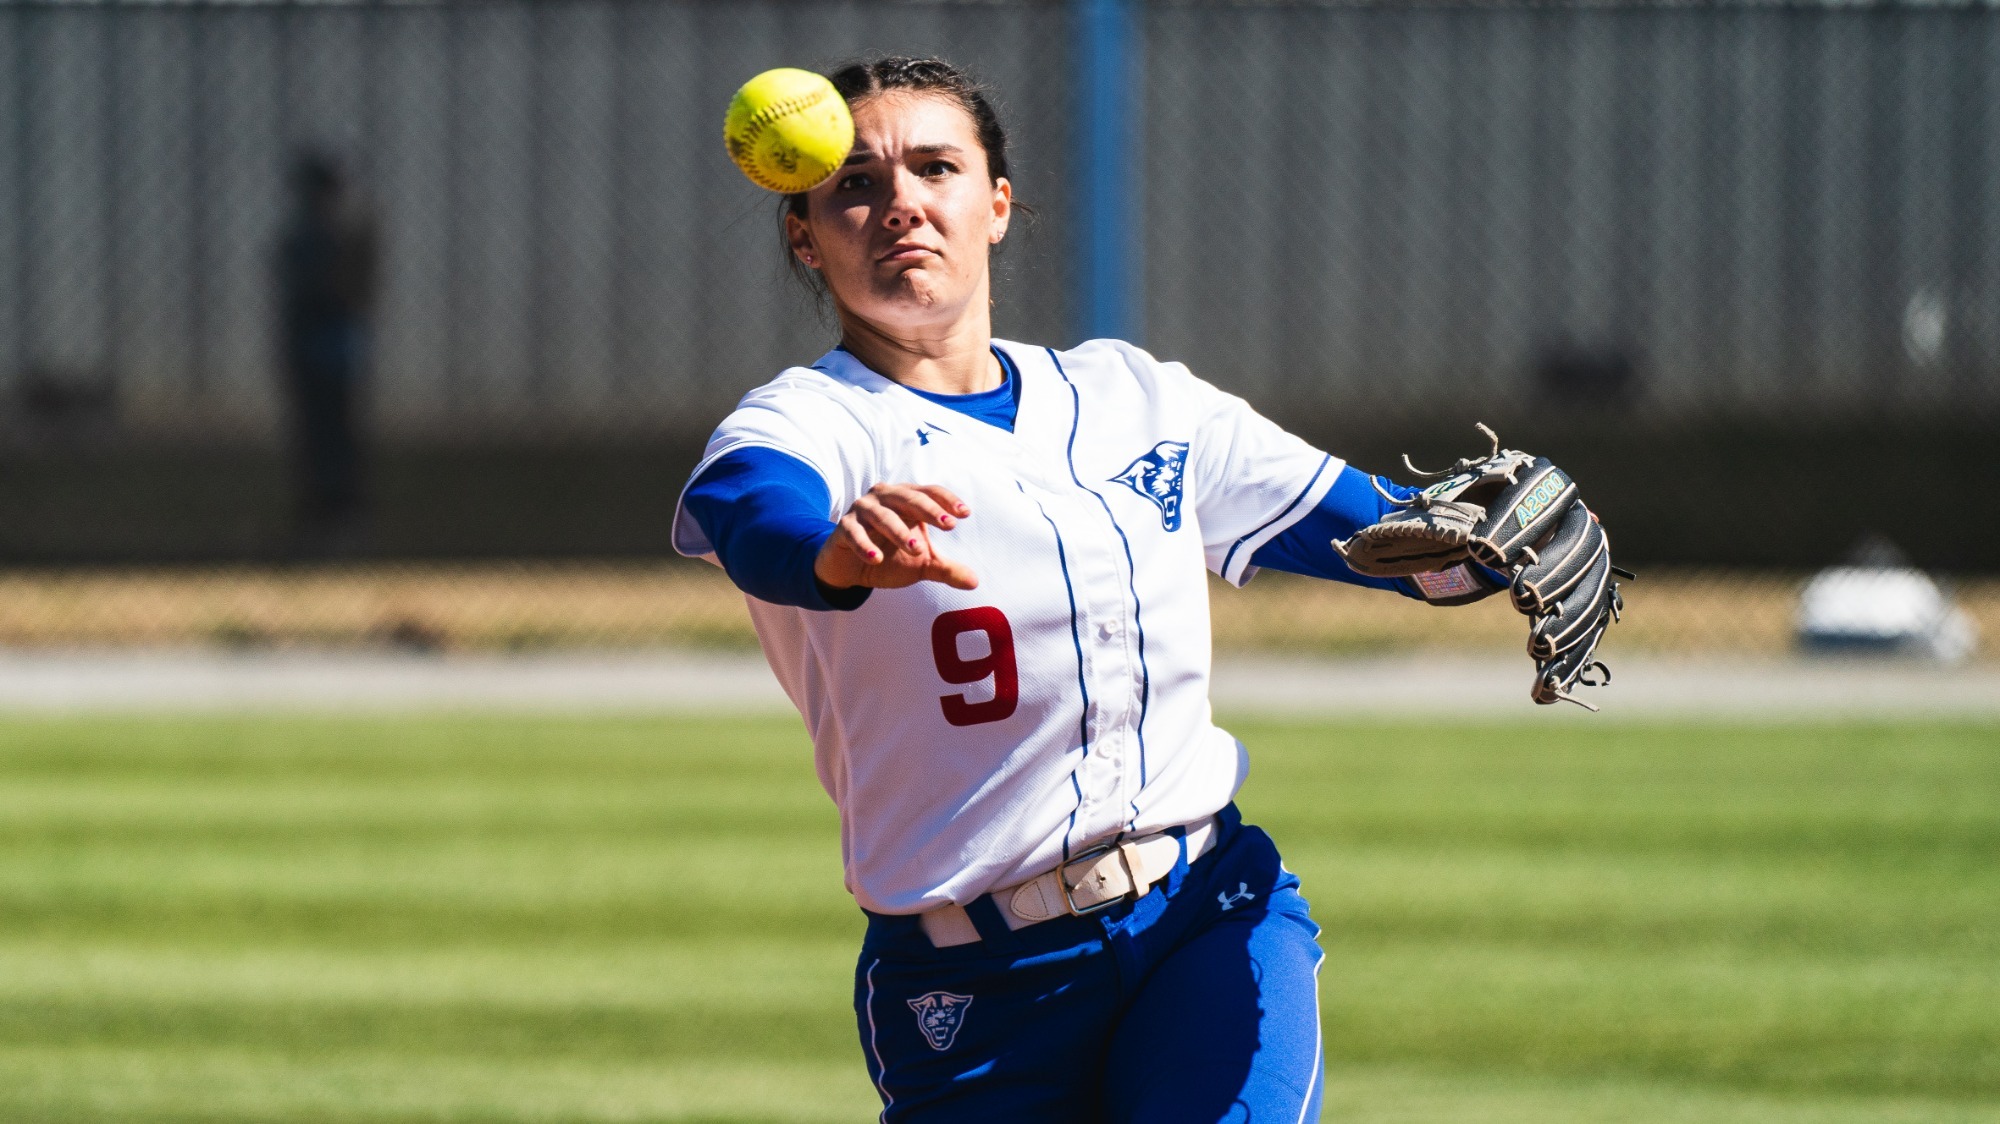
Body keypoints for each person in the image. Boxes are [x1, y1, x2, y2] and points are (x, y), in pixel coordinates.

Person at [673, 57, 1507, 1123]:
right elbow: (753, 514)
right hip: (973, 987)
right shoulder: (805, 424)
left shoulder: (1138, 400)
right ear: (804, 234)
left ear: (997, 204)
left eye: (936, 167)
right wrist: (831, 555)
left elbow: (1389, 538)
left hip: (1202, 914)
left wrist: (1483, 549)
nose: (901, 205)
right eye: (855, 185)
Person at [277, 151, 381, 556]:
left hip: (333, 352)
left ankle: (341, 517)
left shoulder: (334, 241)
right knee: (317, 436)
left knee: (337, 435)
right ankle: (323, 518)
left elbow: (355, 293)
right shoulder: (307, 242)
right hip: (315, 351)